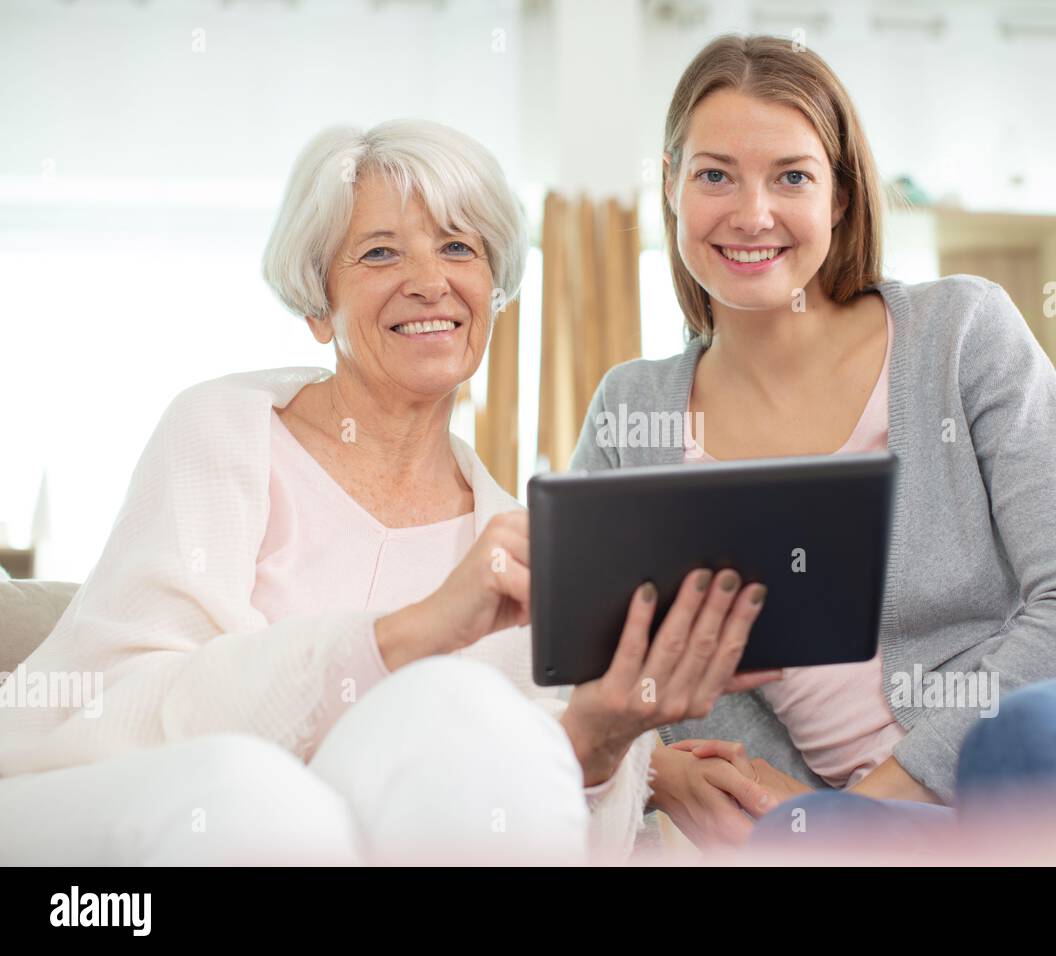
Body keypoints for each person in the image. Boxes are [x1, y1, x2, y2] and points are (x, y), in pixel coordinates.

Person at [0, 118, 777, 866]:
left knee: (463, 718)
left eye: (457, 247)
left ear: (494, 291)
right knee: (256, 797)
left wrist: (606, 741)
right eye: (379, 253)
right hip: (97, 808)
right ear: (316, 304)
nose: (429, 281)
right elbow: (128, 711)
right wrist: (411, 633)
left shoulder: (514, 543)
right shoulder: (224, 432)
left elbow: (532, 820)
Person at [570, 35, 1056, 857]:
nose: (751, 212)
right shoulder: (631, 412)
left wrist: (865, 810)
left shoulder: (959, 333)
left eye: (792, 175)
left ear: (838, 196)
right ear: (671, 184)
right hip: (872, 830)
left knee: (1036, 738)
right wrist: (657, 769)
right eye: (715, 173)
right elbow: (600, 677)